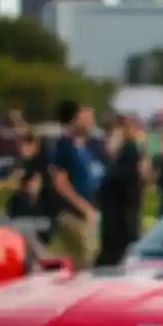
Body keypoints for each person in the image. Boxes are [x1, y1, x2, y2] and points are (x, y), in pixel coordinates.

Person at [48, 99, 100, 271]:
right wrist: (84, 207)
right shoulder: (65, 146)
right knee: (85, 261)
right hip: (74, 215)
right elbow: (61, 183)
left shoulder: (83, 146)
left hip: (84, 213)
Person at [96, 116, 147, 267]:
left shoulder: (128, 151)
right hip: (123, 213)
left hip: (119, 215)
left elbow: (118, 179)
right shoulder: (128, 151)